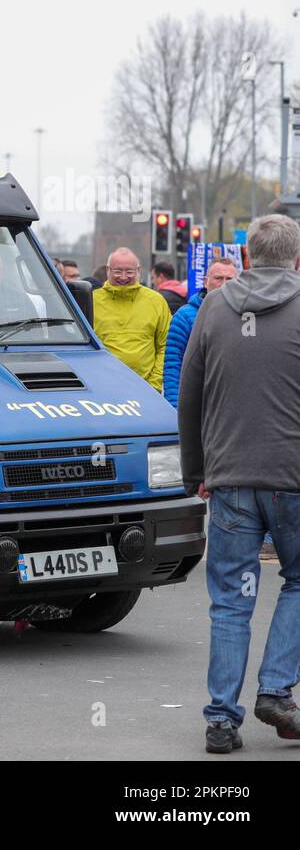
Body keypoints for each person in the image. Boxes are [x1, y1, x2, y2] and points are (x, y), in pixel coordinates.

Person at [179, 214, 300, 754]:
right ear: (295, 258)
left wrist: (195, 471)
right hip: (293, 479)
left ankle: (221, 720)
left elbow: (190, 394)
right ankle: (275, 689)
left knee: (230, 602)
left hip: (228, 478)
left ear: (248, 257)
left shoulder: (212, 307)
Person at [92, 247, 170, 390]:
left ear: (138, 271)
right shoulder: (91, 301)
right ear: (108, 270)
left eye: (129, 271)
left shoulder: (156, 301)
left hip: (146, 389)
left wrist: (154, 384)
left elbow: (165, 345)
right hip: (102, 388)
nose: (123, 277)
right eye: (117, 271)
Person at [163, 258, 237, 408]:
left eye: (229, 279)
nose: (223, 284)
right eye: (218, 278)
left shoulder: (244, 315)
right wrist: (175, 407)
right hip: (196, 405)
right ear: (205, 281)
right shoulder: (184, 317)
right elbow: (173, 364)